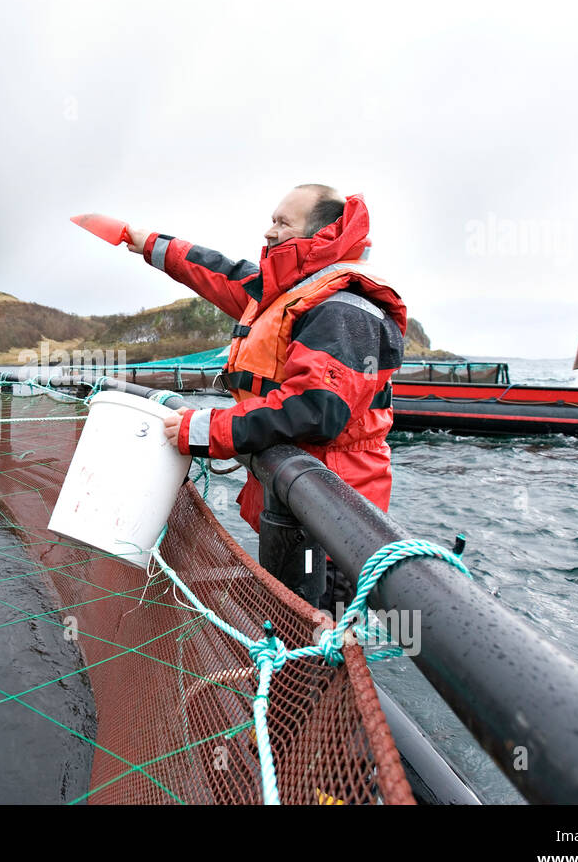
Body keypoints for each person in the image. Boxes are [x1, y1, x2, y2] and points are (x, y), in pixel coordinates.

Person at [124, 185, 406, 607]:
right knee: (285, 619)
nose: (269, 231)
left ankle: (307, 668)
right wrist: (150, 244)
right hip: (292, 509)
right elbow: (220, 272)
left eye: (282, 222)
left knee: (317, 635)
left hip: (331, 523)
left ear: (320, 234)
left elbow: (314, 411)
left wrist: (203, 429)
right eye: (272, 219)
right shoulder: (292, 288)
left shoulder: (343, 308)